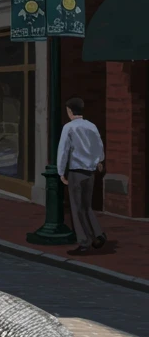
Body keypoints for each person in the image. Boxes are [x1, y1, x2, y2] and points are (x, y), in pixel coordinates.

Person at [58, 97, 107, 255]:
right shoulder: (91, 126)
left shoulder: (69, 127)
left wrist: (60, 172)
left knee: (77, 208)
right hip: (89, 172)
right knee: (87, 206)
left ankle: (84, 242)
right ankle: (98, 234)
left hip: (76, 171)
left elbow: (63, 150)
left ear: (70, 111)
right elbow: (99, 145)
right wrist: (99, 160)